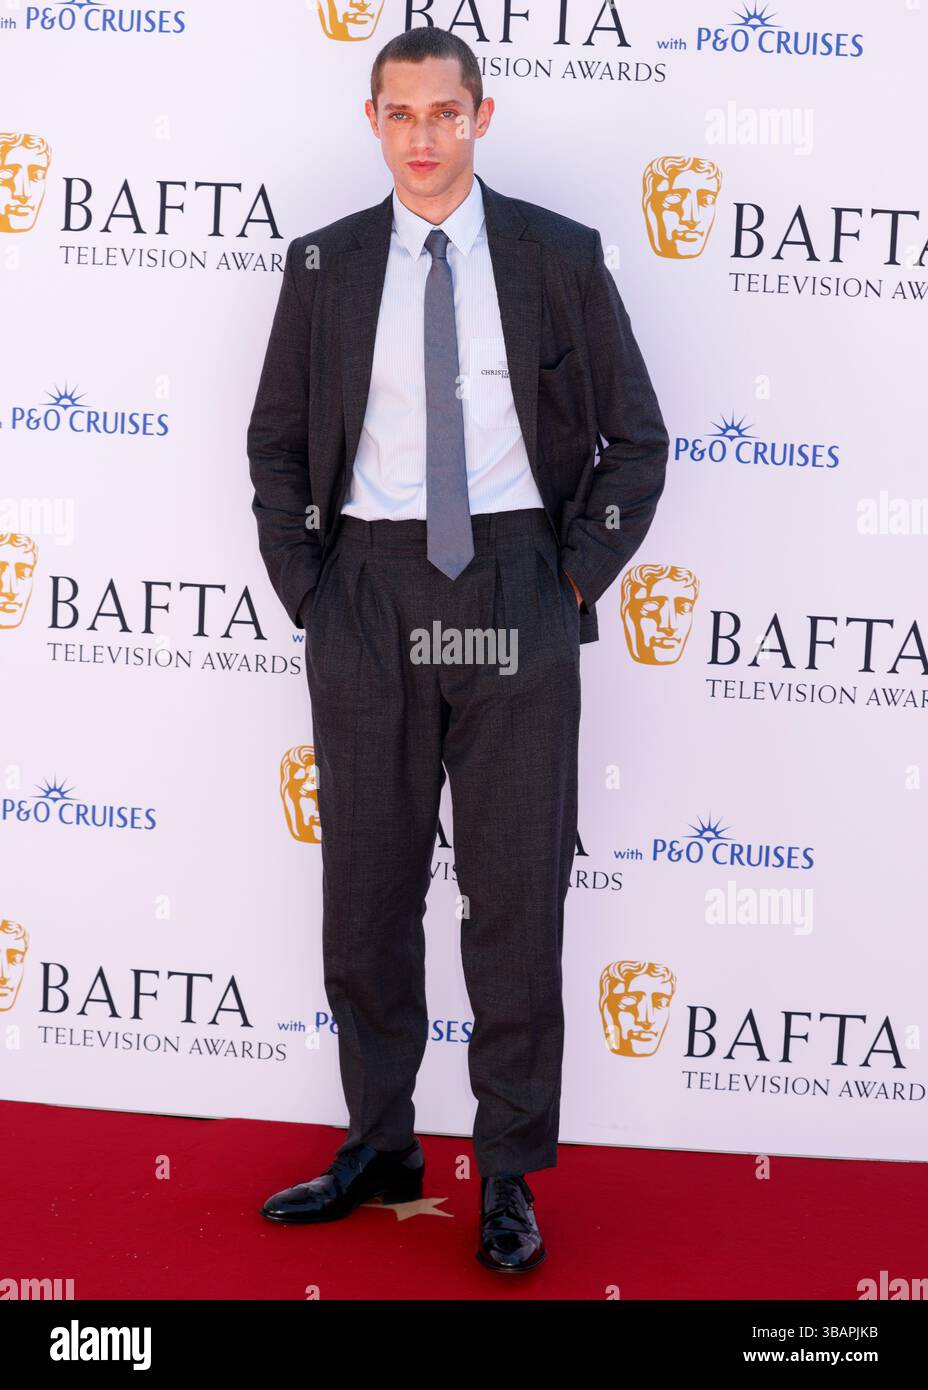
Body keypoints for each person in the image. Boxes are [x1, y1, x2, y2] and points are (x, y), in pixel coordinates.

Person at [246, 25, 668, 1274]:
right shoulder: (324, 264)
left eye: (444, 113)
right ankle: (380, 1143)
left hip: (511, 583)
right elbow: (275, 445)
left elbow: (635, 440)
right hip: (368, 593)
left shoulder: (558, 255)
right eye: (400, 114)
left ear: (481, 117)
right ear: (370, 120)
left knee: (513, 898)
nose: (422, 137)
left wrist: (570, 577)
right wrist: (313, 593)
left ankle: (510, 1175)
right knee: (367, 897)